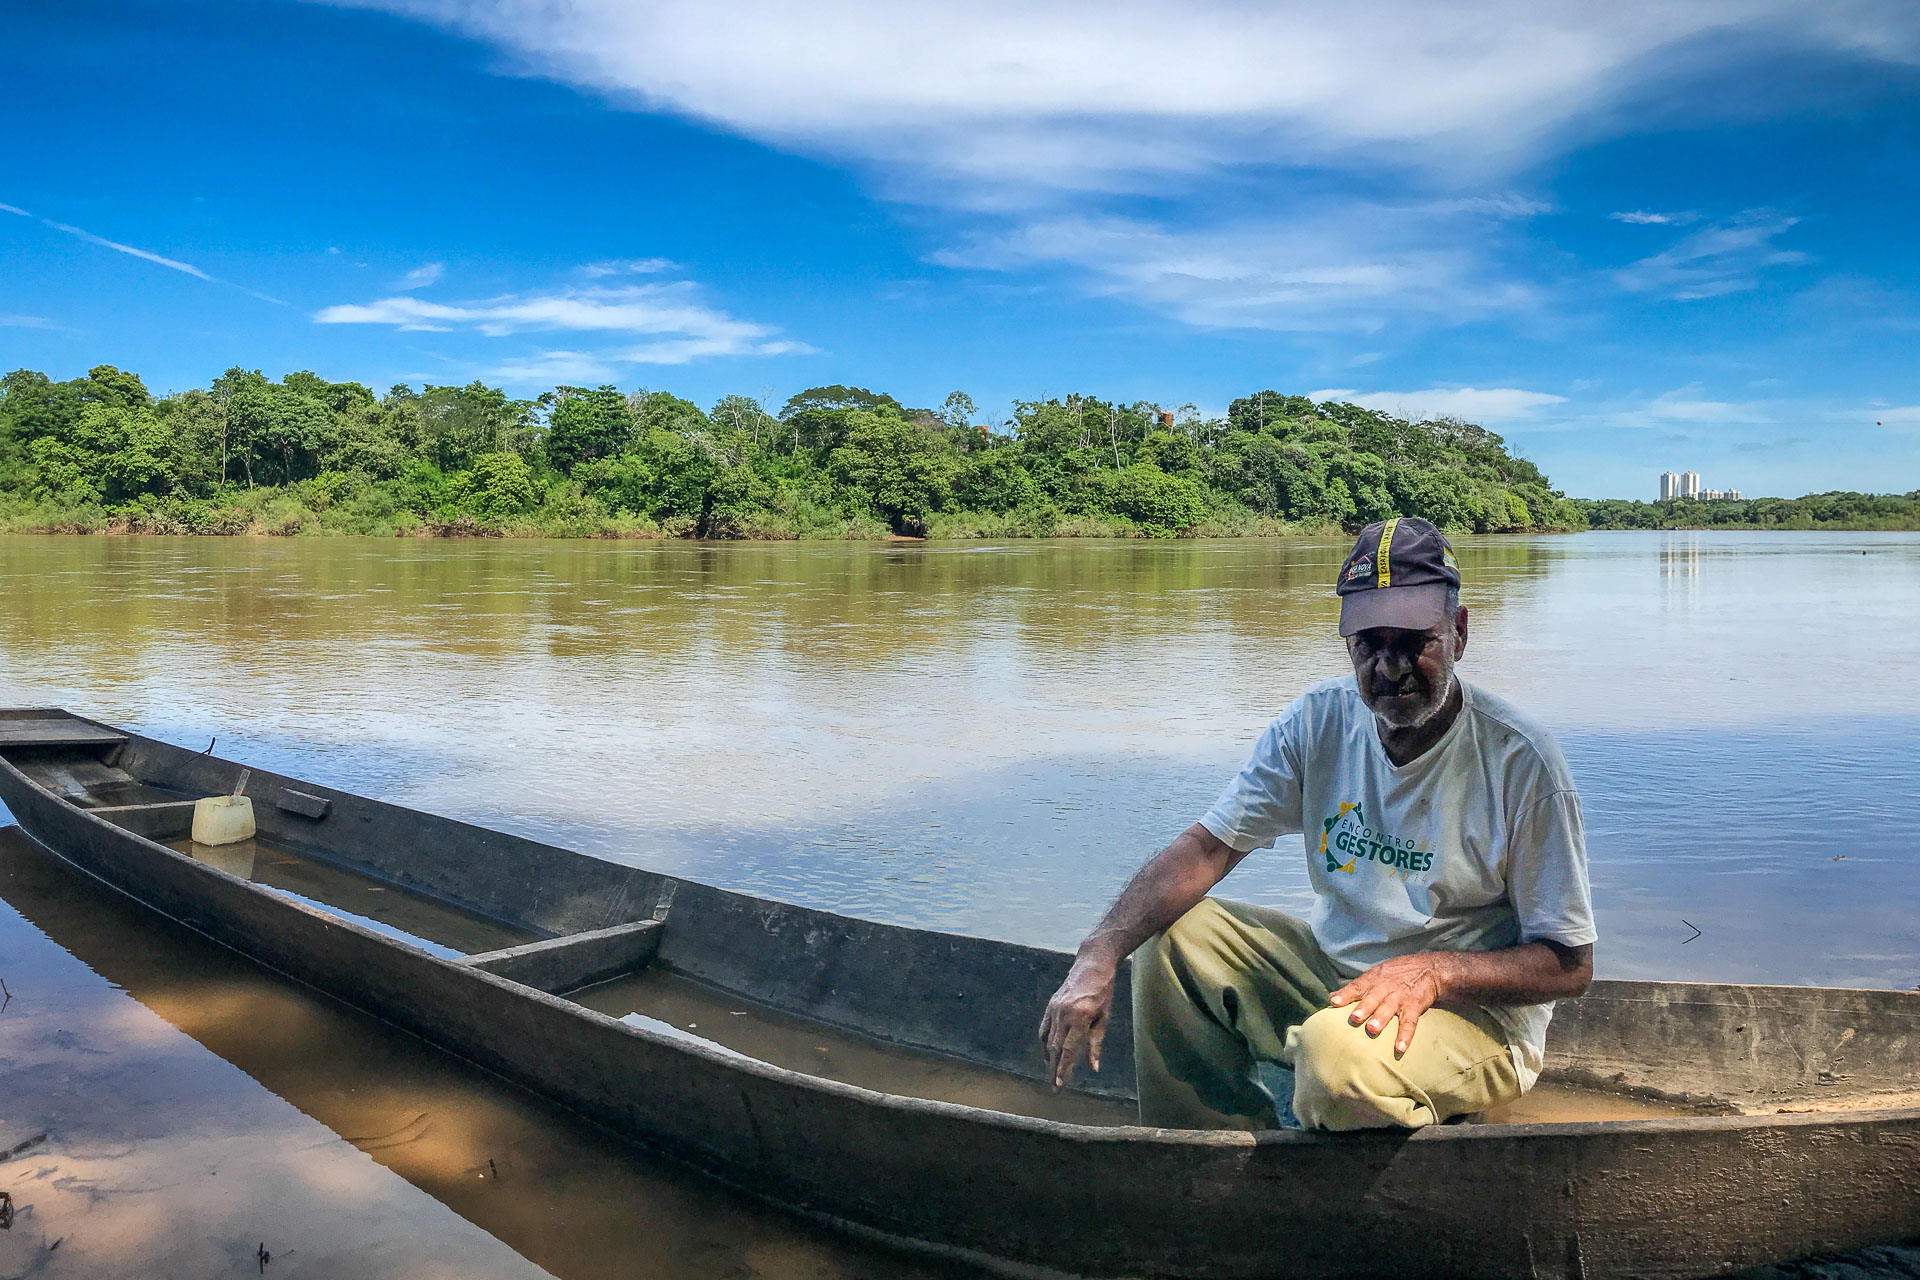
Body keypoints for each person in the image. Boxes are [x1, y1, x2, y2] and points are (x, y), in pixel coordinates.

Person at [1038, 517, 1596, 1130]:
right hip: (1334, 980)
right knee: (1170, 936)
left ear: (1458, 633)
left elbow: (1569, 964)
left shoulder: (1521, 763)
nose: (1390, 668)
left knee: (1334, 1062)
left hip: (1473, 1015)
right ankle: (1202, 1153)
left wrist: (1436, 971)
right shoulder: (1318, 721)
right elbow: (1206, 848)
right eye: (1369, 644)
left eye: (1415, 642)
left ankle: (1408, 1102)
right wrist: (1098, 954)